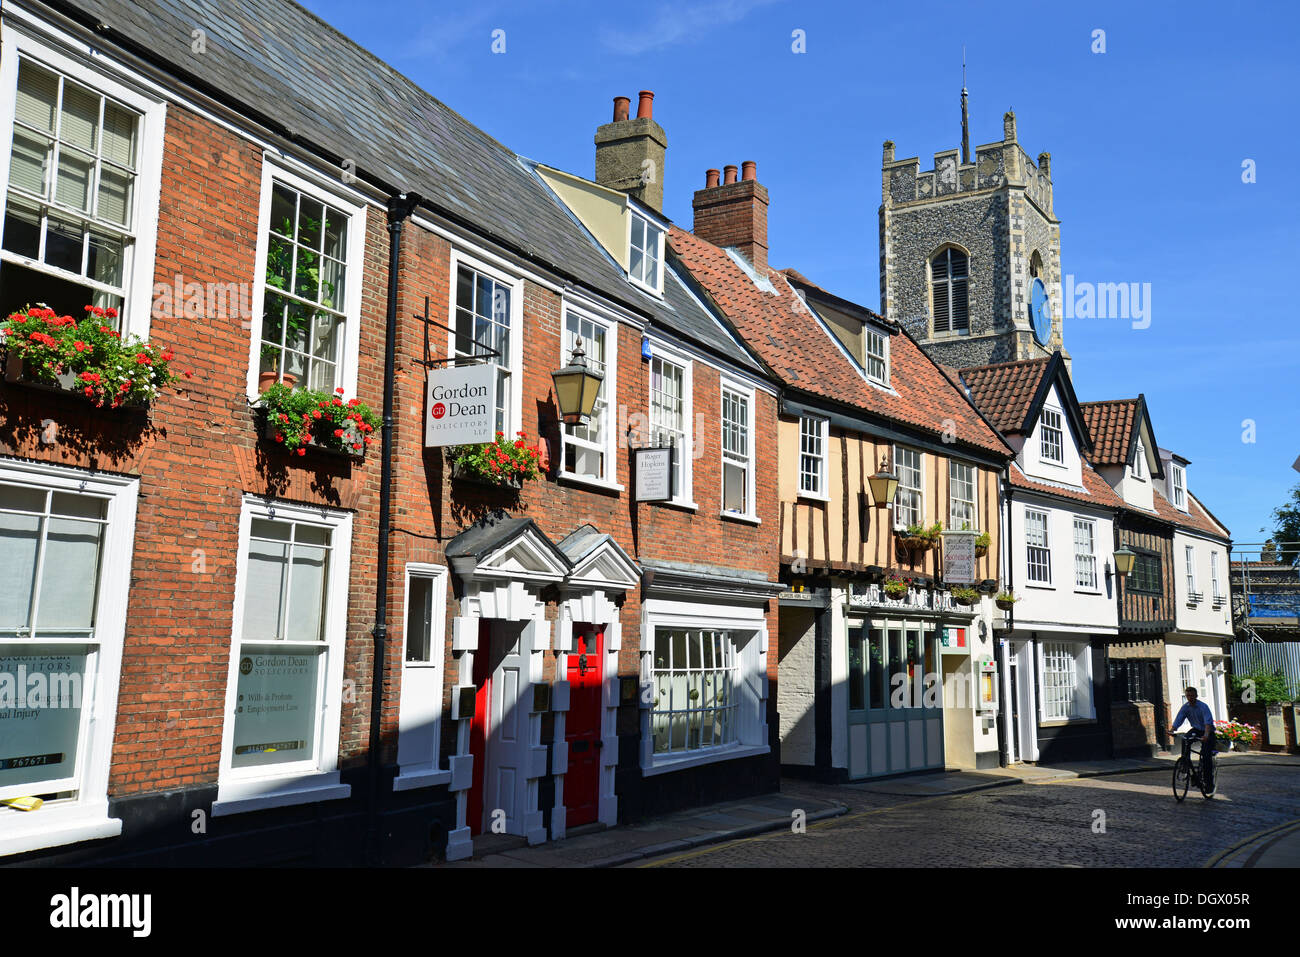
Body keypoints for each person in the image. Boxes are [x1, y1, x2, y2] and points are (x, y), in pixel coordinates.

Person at [1171, 686, 1217, 782]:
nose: (1190, 698)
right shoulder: (1186, 707)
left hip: (1208, 731)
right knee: (1185, 739)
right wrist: (1172, 729)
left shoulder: (1203, 707)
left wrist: (1206, 735)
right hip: (1196, 730)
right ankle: (1185, 764)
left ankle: (1208, 783)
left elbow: (1208, 723)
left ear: (1196, 696)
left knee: (1206, 756)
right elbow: (1179, 719)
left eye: (1192, 695)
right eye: (1188, 696)